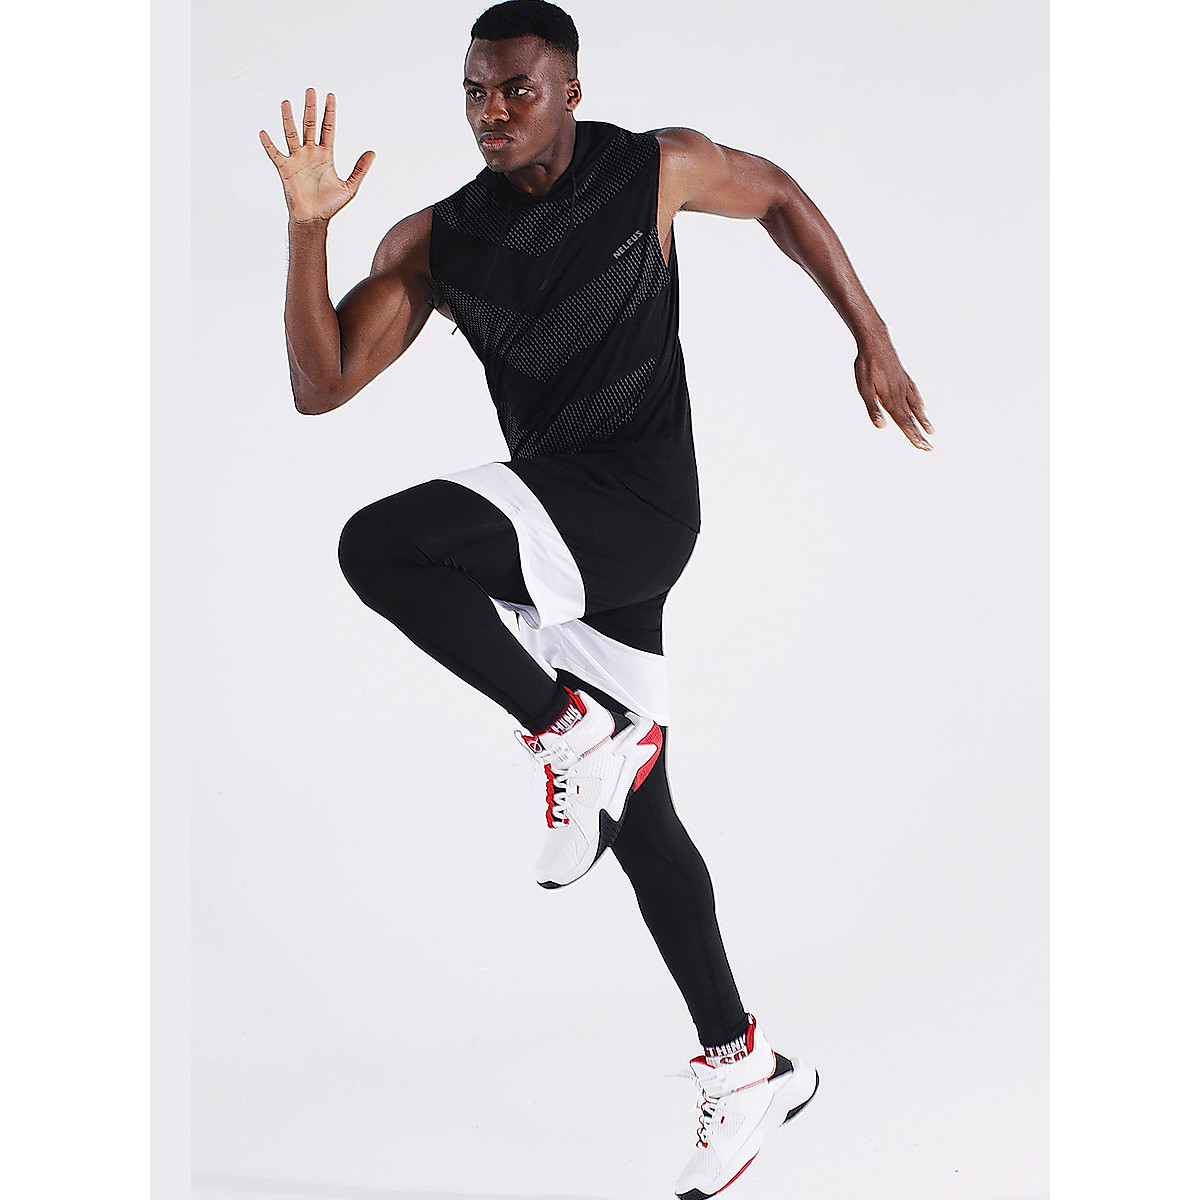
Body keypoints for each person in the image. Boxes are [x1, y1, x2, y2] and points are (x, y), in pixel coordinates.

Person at [260, 2, 932, 1195]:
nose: (492, 111)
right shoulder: (435, 242)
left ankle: (568, 731)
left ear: (568, 90)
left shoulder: (653, 169)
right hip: (562, 536)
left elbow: (778, 195)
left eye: (516, 88)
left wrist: (870, 335)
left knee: (384, 545)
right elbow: (322, 386)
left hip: (640, 509)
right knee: (645, 824)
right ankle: (746, 1065)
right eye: (475, 90)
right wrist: (309, 232)